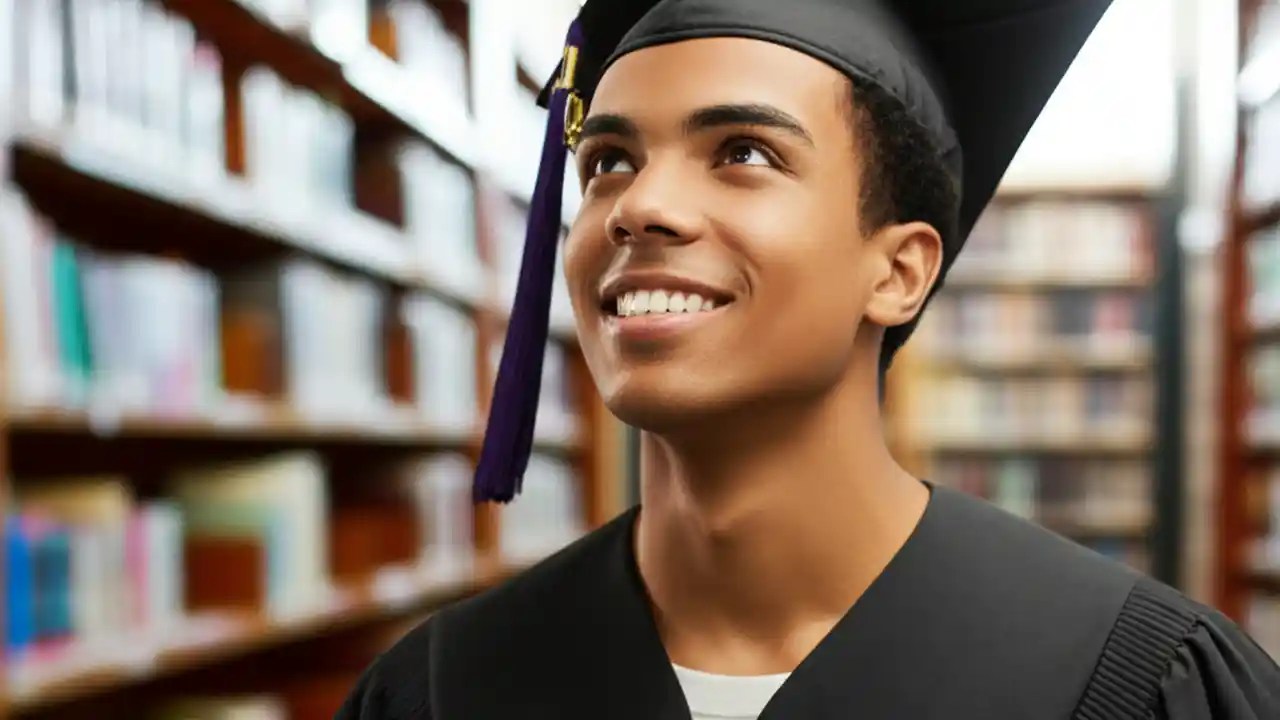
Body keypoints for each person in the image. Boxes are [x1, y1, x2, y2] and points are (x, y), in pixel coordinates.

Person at [338, 0, 1280, 717]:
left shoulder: (1140, 681)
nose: (636, 206)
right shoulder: (440, 691)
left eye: (742, 151)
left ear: (901, 271)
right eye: (610, 161)